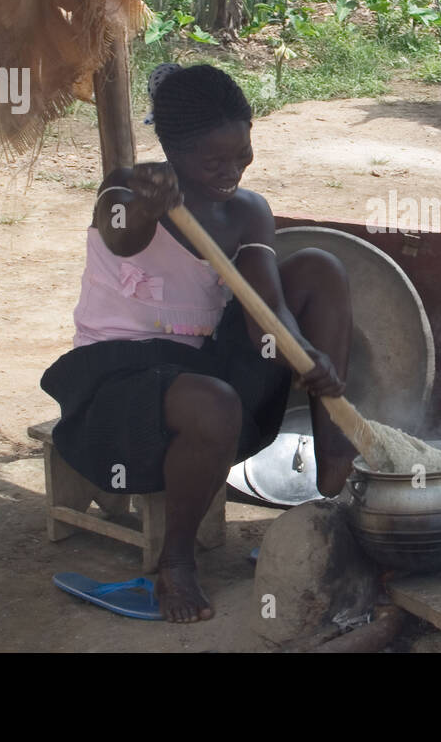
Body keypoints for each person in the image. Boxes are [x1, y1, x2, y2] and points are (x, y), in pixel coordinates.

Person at [40, 63, 355, 623]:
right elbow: (123, 232)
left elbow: (268, 318)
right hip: (116, 383)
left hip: (200, 370)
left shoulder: (247, 213)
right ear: (172, 150)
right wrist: (147, 202)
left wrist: (308, 359)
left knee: (317, 269)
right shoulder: (126, 190)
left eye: (242, 156)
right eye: (213, 162)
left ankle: (334, 481)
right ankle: (174, 566)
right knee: (212, 400)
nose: (231, 172)